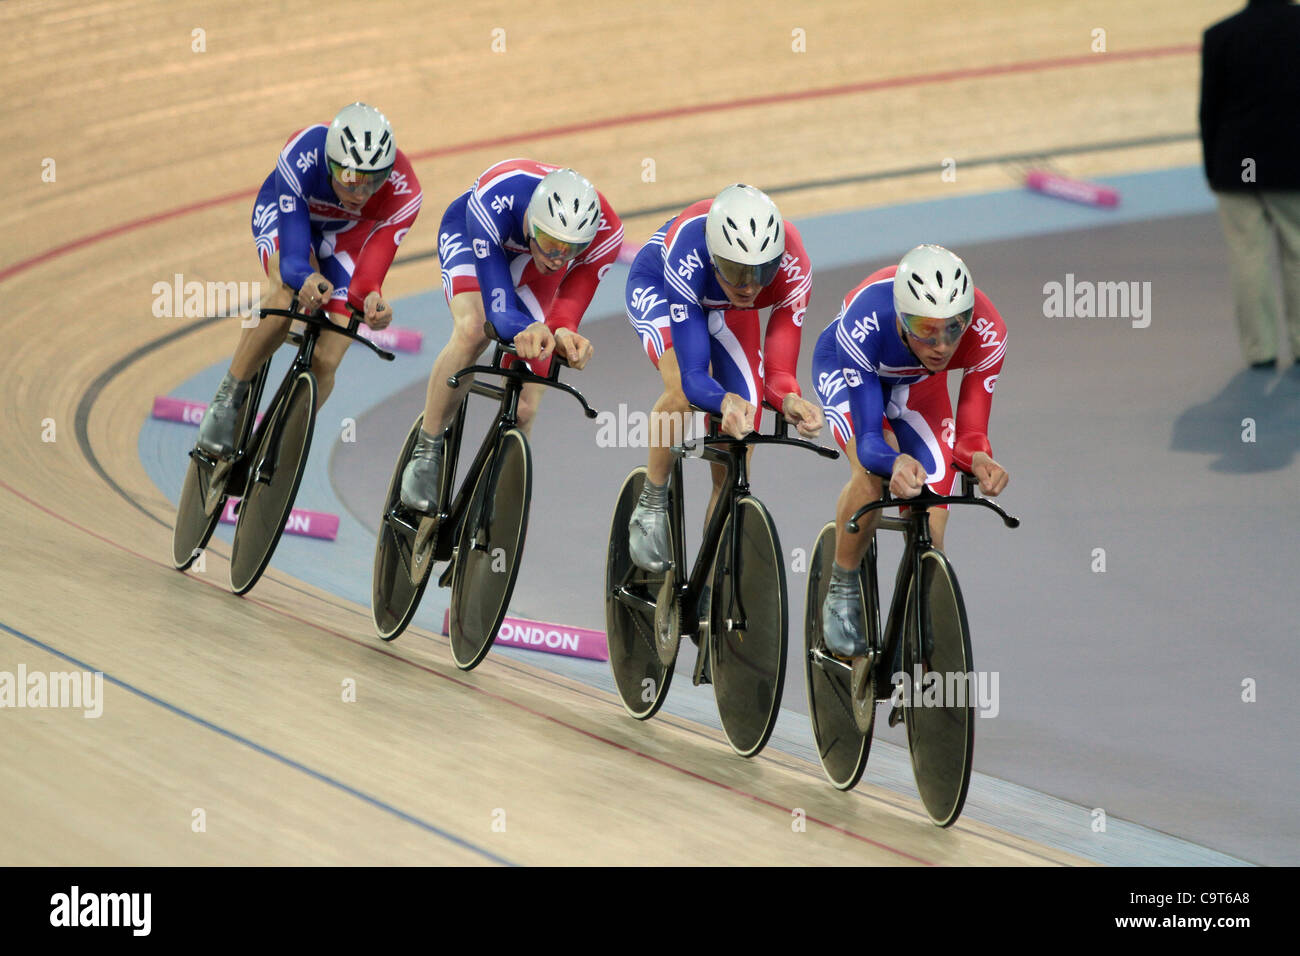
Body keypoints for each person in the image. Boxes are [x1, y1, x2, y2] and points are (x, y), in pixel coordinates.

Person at [812, 244, 1009, 657]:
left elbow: (971, 436)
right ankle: (842, 585)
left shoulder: (989, 332)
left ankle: (918, 608)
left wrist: (979, 459)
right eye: (925, 329)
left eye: (954, 328)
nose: (941, 345)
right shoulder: (866, 321)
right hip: (852, 372)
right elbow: (868, 442)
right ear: (901, 319)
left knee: (934, 497)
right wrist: (894, 459)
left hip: (918, 385)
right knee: (872, 478)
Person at [197, 102, 421, 456]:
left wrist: (373, 303)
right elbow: (295, 259)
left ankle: (283, 446)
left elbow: (367, 279)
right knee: (288, 294)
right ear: (331, 162)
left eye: (373, 182)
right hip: (289, 218)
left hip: (344, 239)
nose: (361, 193)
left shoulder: (405, 191)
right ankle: (229, 395)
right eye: (351, 179)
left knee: (332, 352)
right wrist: (306, 277)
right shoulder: (301, 153)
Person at [399, 161, 623, 511]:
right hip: (475, 241)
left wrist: (564, 332)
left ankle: (498, 507)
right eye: (551, 242)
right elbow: (500, 313)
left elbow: (566, 312)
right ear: (534, 222)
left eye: (570, 249)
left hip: (530, 271)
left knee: (526, 404)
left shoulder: (605, 234)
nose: (557, 257)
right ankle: (426, 450)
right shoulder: (497, 197)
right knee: (474, 329)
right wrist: (526, 327)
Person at [624, 184, 823, 573]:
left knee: (741, 439)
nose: (749, 286)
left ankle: (711, 575)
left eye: (761, 273)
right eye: (737, 271)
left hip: (725, 308)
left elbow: (779, 374)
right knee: (683, 388)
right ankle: (650, 502)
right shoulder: (689, 252)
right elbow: (697, 375)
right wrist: (721, 401)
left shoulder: (792, 267)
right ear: (716, 256)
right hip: (665, 291)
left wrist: (791, 401)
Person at [1199, 0, 1300, 369]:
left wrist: (1213, 169)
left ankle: (1260, 350)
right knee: (1298, 254)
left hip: (1236, 166)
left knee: (1247, 257)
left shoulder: (1220, 35)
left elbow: (1209, 110)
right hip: (1292, 165)